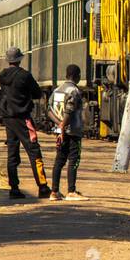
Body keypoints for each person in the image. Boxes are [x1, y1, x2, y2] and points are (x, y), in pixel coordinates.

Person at [0, 47, 49, 199]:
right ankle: (43, 186)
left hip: (8, 118)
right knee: (34, 151)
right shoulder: (25, 76)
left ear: (8, 61)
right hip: (22, 117)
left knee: (12, 153)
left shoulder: (2, 77)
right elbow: (37, 93)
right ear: (20, 59)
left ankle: (14, 188)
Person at [48, 64, 85, 202]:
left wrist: (59, 125)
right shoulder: (74, 91)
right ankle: (71, 190)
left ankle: (54, 191)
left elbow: (49, 110)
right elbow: (69, 110)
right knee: (74, 159)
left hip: (59, 131)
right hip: (72, 131)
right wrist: (64, 124)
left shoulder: (57, 90)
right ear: (77, 76)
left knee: (59, 160)